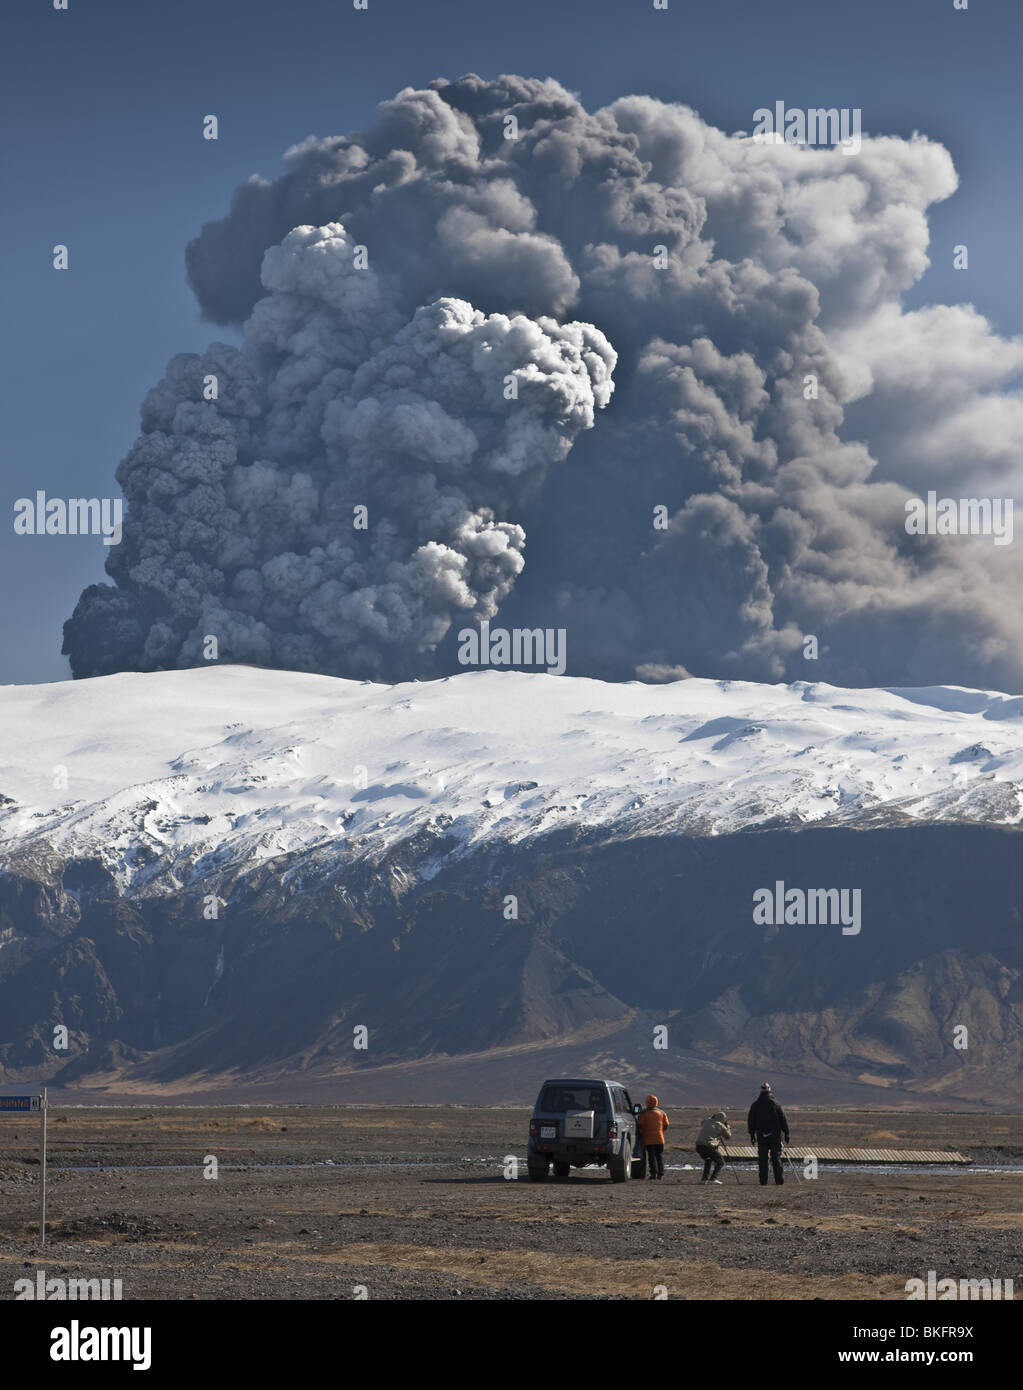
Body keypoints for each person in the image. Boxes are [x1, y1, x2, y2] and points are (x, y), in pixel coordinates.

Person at [747, 1081, 790, 1186]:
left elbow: (751, 1121)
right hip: (774, 1135)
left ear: (761, 1090)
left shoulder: (755, 1105)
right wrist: (786, 1133)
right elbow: (783, 1119)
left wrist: (752, 1135)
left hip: (761, 1135)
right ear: (770, 1089)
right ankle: (779, 1181)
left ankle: (763, 1181)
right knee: (776, 1157)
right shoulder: (776, 1104)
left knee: (763, 1159)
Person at [635, 1094, 670, 1179]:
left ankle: (653, 1174)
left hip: (648, 1139)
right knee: (659, 1156)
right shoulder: (662, 1113)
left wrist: (641, 1134)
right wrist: (661, 1132)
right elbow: (666, 1124)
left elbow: (640, 1125)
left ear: (647, 1102)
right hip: (660, 1138)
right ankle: (660, 1174)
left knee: (651, 1157)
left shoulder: (643, 1113)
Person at [695, 1110, 731, 1183]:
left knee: (708, 1160)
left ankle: (704, 1179)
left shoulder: (707, 1121)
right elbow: (728, 1137)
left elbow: (703, 1122)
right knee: (720, 1162)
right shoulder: (720, 1125)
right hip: (709, 1146)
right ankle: (713, 1179)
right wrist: (727, 1127)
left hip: (698, 1146)